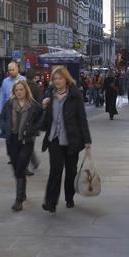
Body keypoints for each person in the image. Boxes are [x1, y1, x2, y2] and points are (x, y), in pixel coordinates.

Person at [37, 65, 91, 212]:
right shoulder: (49, 95)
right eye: (55, 79)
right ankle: (50, 201)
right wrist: (44, 106)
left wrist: (87, 140)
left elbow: (82, 118)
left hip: (72, 138)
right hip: (54, 137)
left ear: (66, 79)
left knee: (71, 170)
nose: (57, 81)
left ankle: (69, 197)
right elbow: (43, 118)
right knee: (55, 169)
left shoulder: (75, 95)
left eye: (60, 78)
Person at [0, 80, 42, 211]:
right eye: (16, 90)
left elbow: (41, 118)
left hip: (26, 141)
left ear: (26, 90)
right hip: (12, 141)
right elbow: (2, 118)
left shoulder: (33, 105)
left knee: (20, 169)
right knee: (16, 168)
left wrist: (34, 129)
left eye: (21, 90)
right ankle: (22, 192)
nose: (19, 92)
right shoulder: (9, 104)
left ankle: (18, 200)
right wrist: (5, 127)